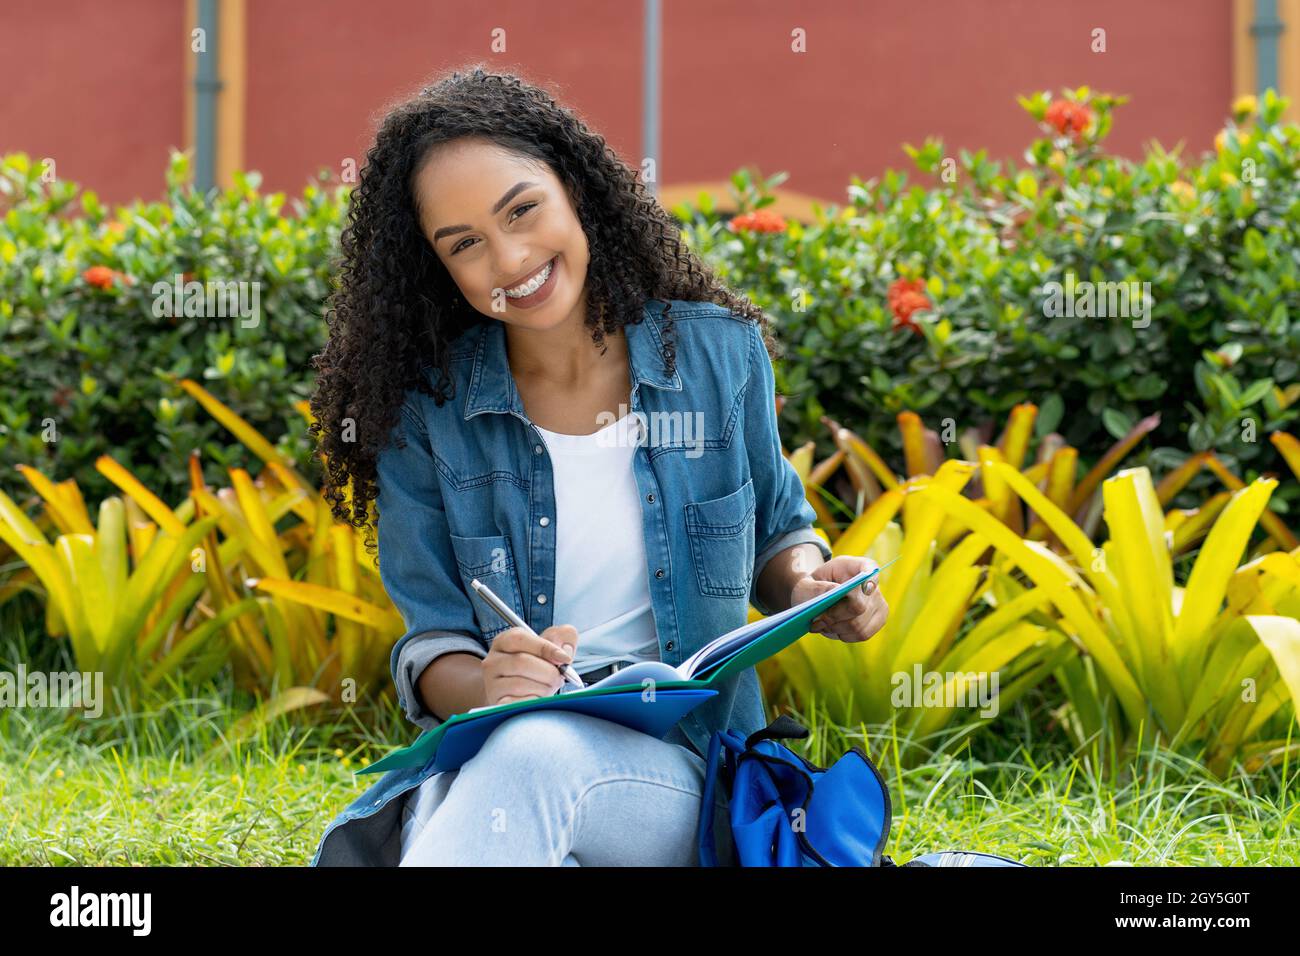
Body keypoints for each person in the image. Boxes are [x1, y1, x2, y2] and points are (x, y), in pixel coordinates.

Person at [307, 64, 889, 866]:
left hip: (687, 769)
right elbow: (431, 642)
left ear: (575, 189)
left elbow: (778, 532)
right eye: (465, 244)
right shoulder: (424, 414)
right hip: (507, 758)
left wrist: (811, 585)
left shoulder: (718, 355)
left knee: (530, 759)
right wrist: (485, 685)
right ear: (435, 269)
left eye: (523, 210)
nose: (509, 258)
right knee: (505, 763)